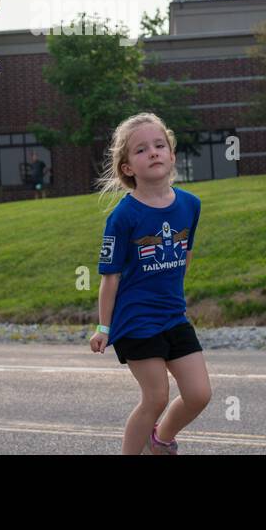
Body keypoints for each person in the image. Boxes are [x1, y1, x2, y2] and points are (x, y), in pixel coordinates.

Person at [90, 112, 212, 455]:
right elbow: (109, 277)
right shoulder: (123, 217)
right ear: (127, 167)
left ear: (172, 155)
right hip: (135, 322)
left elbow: (185, 254)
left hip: (173, 316)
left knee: (200, 393)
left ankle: (161, 439)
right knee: (156, 396)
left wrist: (174, 294)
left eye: (160, 145)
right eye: (141, 150)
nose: (153, 152)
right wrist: (103, 327)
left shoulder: (191, 204)